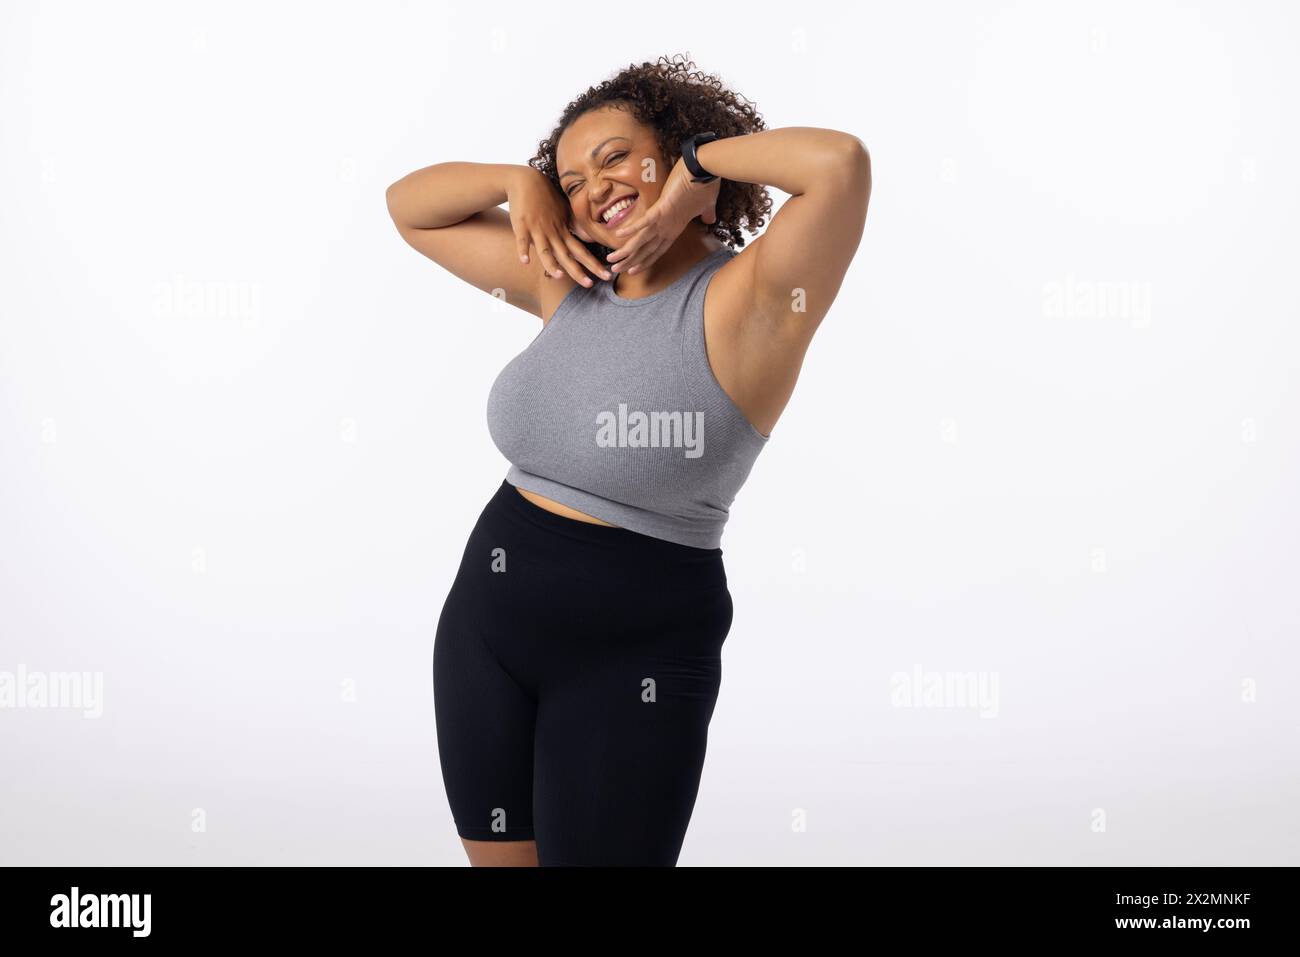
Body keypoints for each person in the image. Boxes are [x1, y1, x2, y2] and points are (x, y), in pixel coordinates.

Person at [385, 54, 871, 866]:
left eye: (615, 158)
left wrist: (701, 164)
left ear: (672, 151)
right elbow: (410, 209)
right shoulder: (567, 278)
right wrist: (517, 181)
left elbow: (839, 165)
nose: (592, 189)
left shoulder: (756, 298)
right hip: (485, 635)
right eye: (571, 180)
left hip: (636, 654)